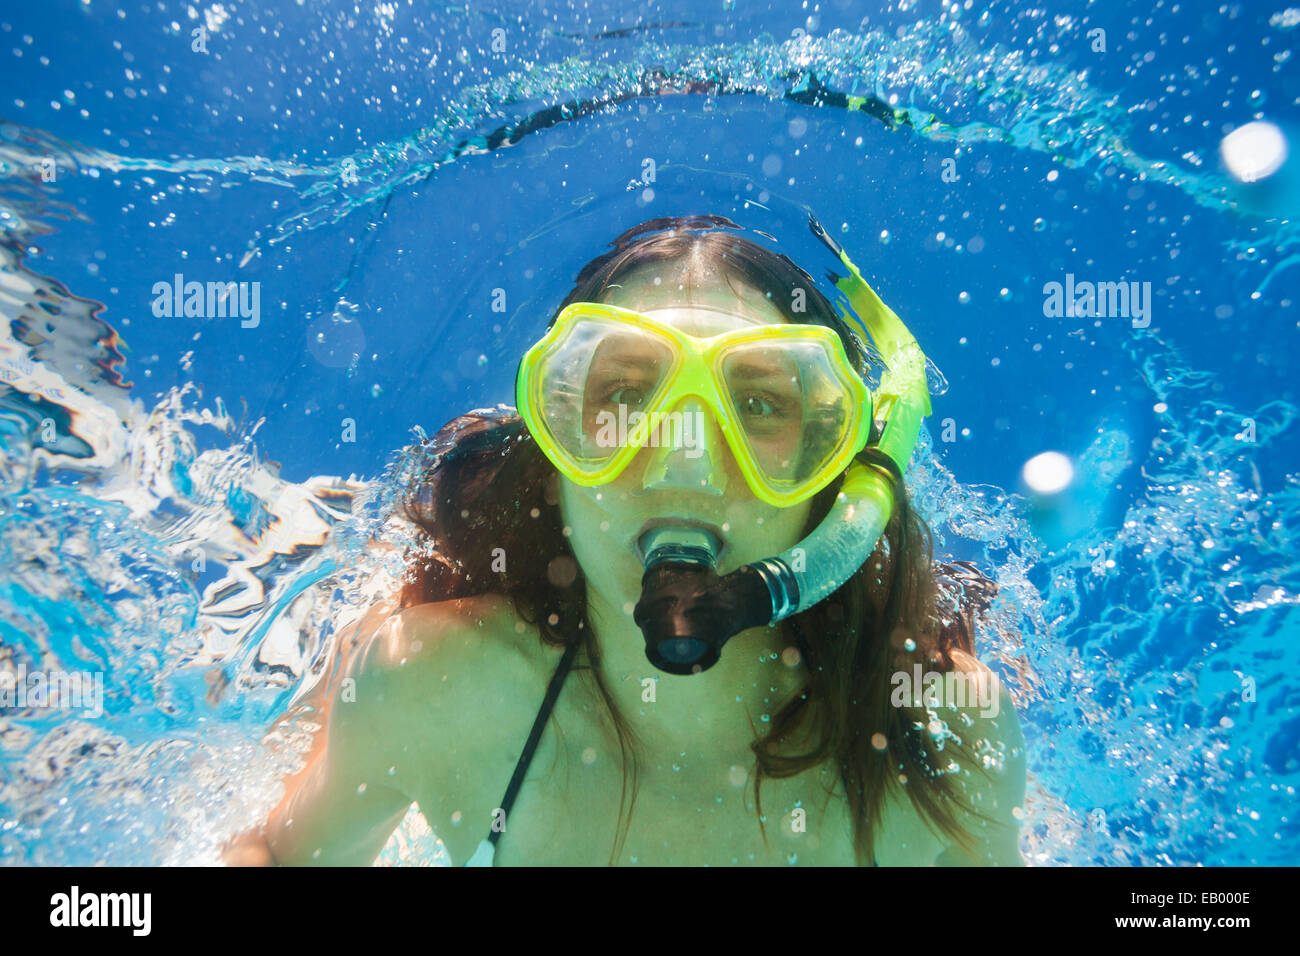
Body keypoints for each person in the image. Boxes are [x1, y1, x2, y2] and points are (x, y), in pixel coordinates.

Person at [222, 213, 1026, 867]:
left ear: (838, 475)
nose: (687, 466)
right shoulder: (427, 684)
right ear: (554, 454)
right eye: (625, 396)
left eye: (758, 406)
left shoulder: (936, 734)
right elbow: (274, 855)